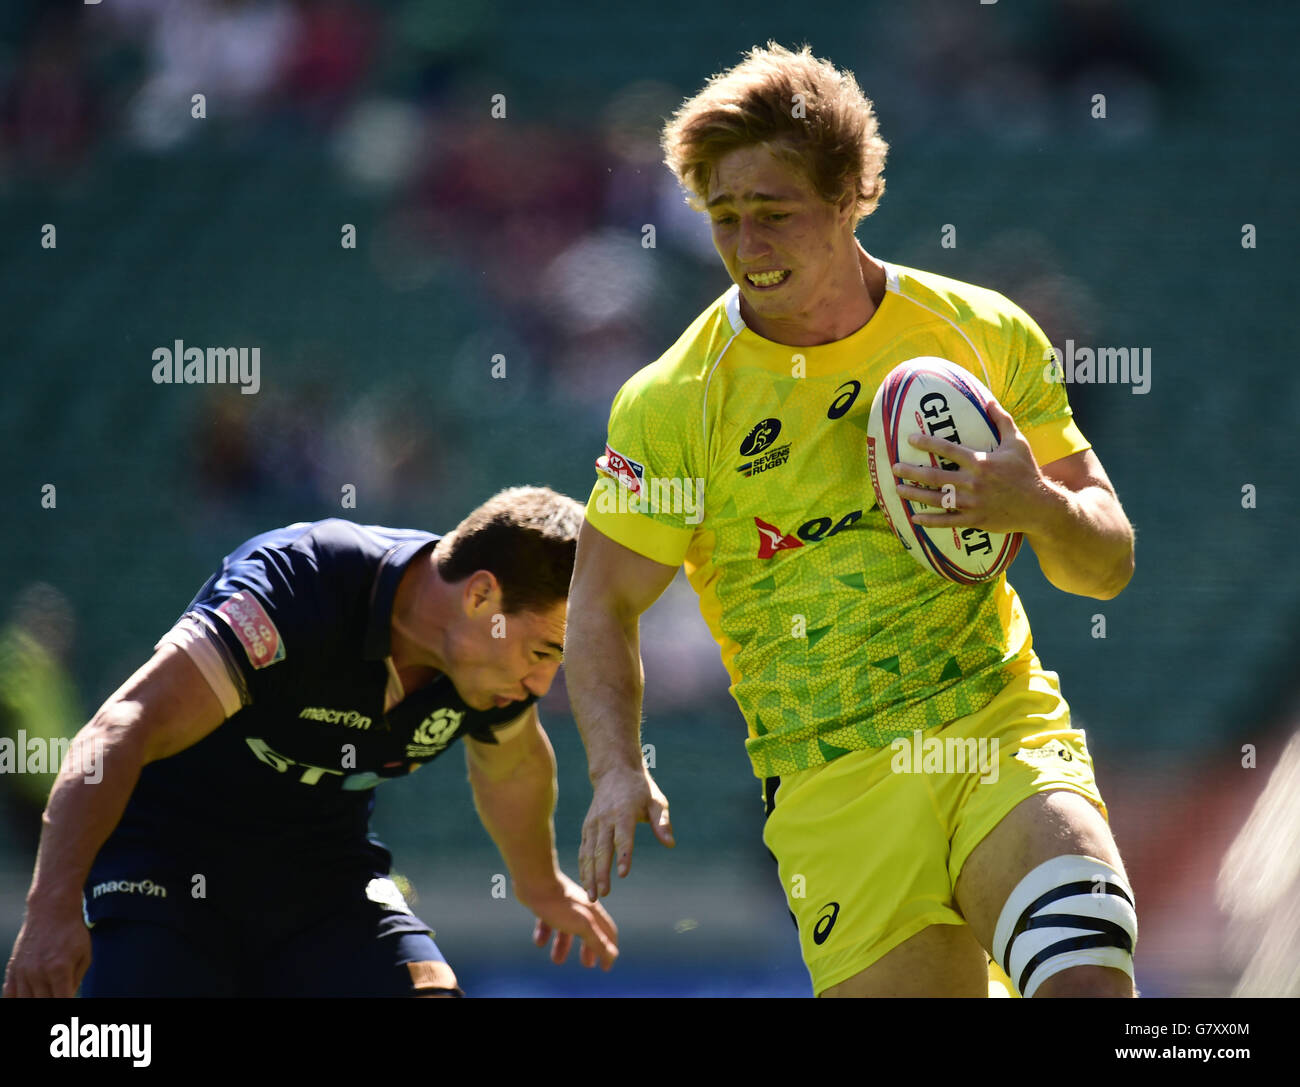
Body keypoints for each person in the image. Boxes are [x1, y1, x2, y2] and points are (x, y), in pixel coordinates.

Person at [565, 43, 1138, 998]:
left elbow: (1105, 563)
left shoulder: (981, 332)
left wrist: (1031, 505)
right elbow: (602, 599)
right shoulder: (674, 404)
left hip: (993, 724)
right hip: (831, 789)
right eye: (725, 218)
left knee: (1086, 972)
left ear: (849, 197)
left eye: (775, 213)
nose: (748, 245)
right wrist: (617, 767)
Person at [4, 486, 617, 997]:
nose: (542, 681)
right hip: (167, 862)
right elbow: (120, 729)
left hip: (325, 874)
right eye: (543, 653)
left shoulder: (491, 671)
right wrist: (50, 909)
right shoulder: (300, 583)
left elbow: (513, 765)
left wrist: (539, 883)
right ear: (481, 596)